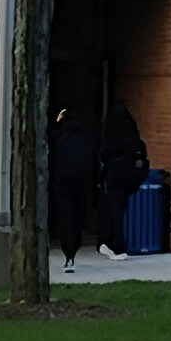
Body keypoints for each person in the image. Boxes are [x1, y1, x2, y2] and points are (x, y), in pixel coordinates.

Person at [94, 94, 149, 257]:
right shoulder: (132, 134)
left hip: (112, 178)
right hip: (127, 179)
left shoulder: (110, 135)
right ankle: (116, 244)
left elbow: (104, 154)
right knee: (119, 211)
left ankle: (109, 242)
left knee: (110, 212)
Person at [49, 92, 98, 272]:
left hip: (61, 184)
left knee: (64, 218)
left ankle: (67, 251)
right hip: (80, 184)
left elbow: (51, 160)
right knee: (77, 218)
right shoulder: (86, 137)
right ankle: (73, 251)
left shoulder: (57, 136)